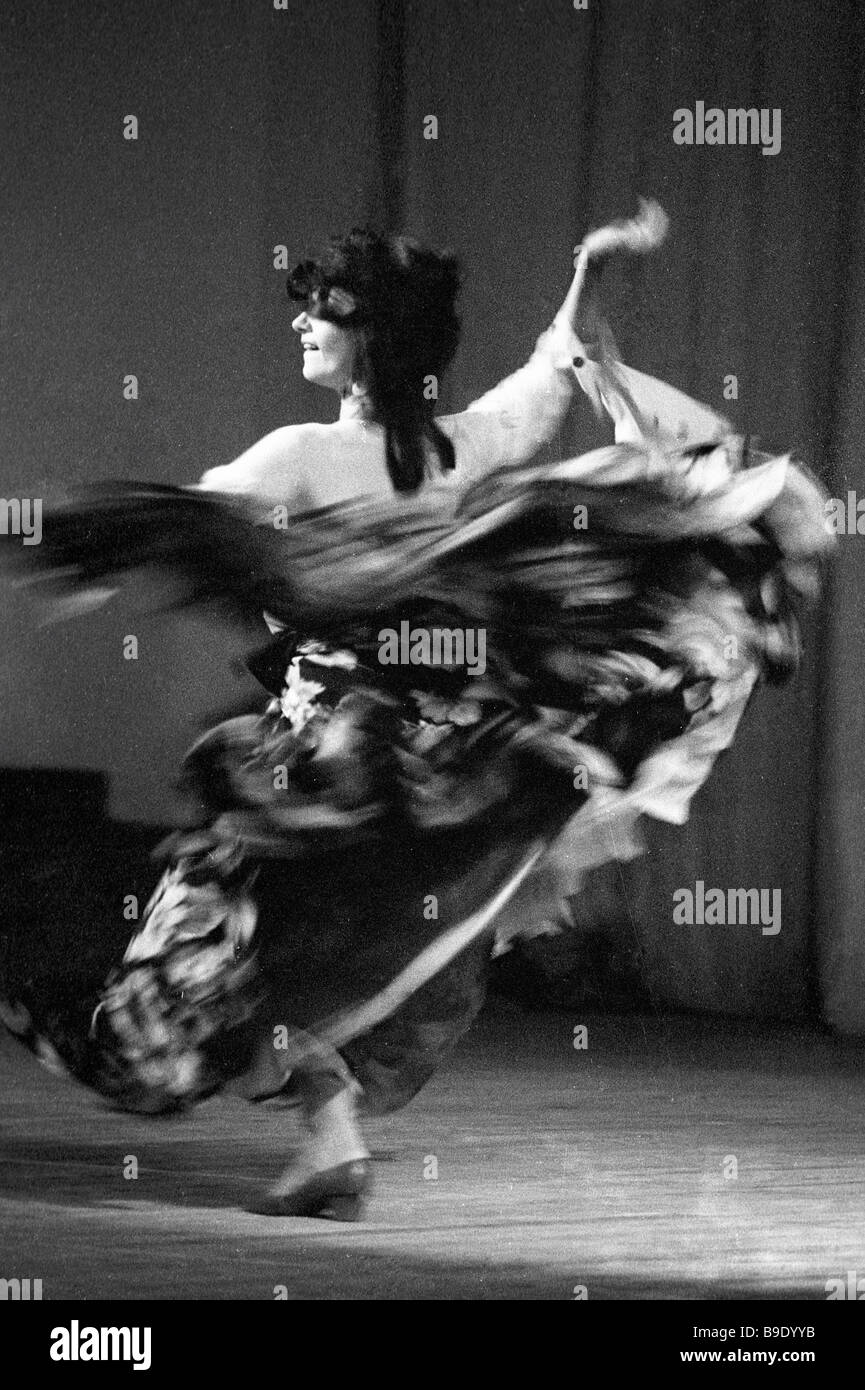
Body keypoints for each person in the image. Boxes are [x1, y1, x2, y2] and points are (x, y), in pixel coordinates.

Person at [0, 203, 832, 1220]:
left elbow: (199, 521)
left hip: (327, 762)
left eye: (322, 311)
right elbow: (552, 370)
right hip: (436, 765)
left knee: (188, 1004)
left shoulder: (296, 454)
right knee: (344, 948)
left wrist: (79, 530)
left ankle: (300, 1118)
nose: (302, 324)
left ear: (373, 338)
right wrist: (588, 276)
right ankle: (330, 1136)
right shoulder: (463, 447)